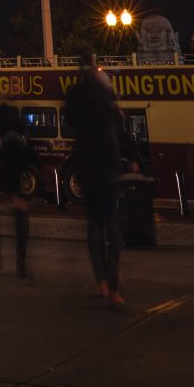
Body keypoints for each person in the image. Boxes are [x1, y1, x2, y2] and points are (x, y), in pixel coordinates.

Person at [64, 50, 125, 306]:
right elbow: (117, 126)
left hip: (88, 165)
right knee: (111, 227)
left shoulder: (75, 96)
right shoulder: (104, 95)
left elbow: (70, 120)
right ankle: (112, 284)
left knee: (95, 227)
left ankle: (103, 281)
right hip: (105, 166)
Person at [0, 103, 38, 278]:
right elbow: (27, 152)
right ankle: (20, 260)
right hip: (14, 167)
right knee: (20, 216)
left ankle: (2, 258)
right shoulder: (13, 118)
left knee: (2, 212)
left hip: (8, 169)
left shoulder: (2, 119)